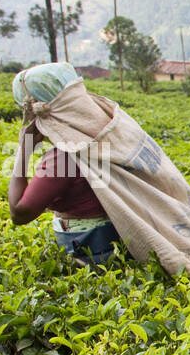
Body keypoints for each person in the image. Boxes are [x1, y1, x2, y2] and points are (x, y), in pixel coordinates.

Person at [7, 62, 123, 265]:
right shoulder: (109, 129)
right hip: (119, 241)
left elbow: (19, 213)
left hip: (93, 253)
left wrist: (24, 149)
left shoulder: (64, 157)